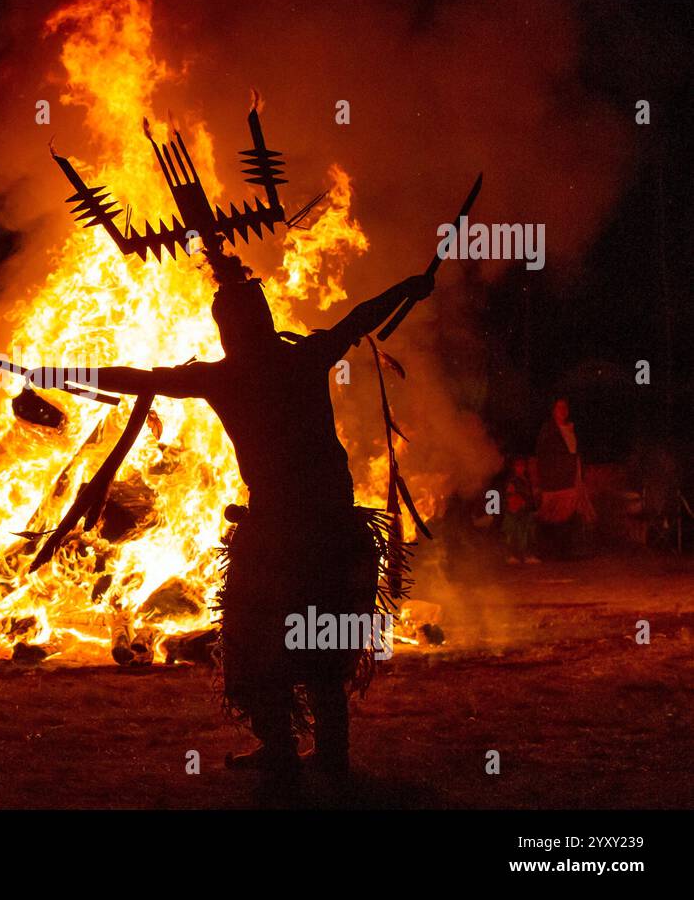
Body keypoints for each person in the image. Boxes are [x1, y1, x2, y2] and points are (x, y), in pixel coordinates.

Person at [36, 271, 437, 777]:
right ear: (264, 320)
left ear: (227, 330)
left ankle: (294, 750)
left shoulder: (222, 377)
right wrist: (405, 286)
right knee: (318, 644)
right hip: (325, 525)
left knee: (259, 645)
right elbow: (358, 318)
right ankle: (314, 753)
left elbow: (139, 378)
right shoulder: (302, 358)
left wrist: (57, 372)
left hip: (284, 532)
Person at [535, 397, 595, 556]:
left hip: (572, 477)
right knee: (553, 514)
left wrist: (580, 468)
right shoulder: (548, 430)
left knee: (573, 512)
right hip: (556, 479)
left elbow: (577, 452)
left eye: (565, 407)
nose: (562, 410)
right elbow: (545, 454)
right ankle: (546, 549)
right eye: (559, 407)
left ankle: (568, 549)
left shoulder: (571, 429)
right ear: (553, 410)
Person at [500, 456, 538, 565]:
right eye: (518, 466)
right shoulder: (513, 481)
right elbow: (510, 496)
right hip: (515, 513)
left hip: (526, 512)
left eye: (522, 466)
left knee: (528, 534)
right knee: (513, 534)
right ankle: (512, 556)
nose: (520, 468)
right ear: (514, 468)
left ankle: (528, 555)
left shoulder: (526, 480)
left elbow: (530, 496)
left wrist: (532, 508)